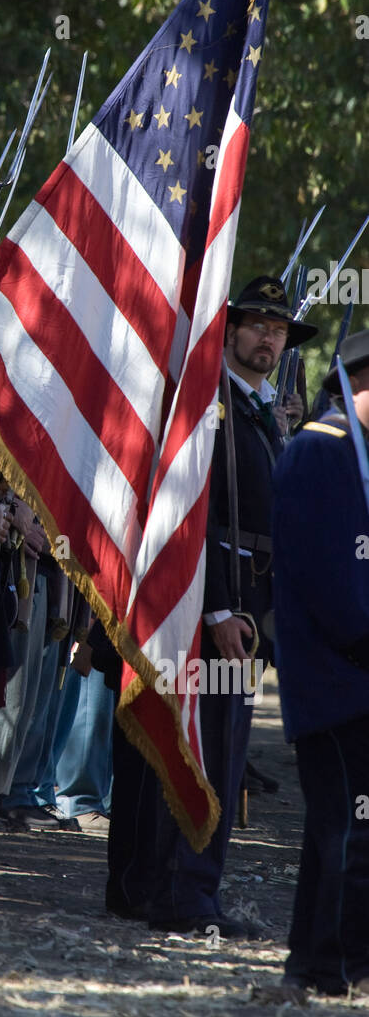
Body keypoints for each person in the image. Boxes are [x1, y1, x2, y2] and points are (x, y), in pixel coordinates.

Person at [142, 275, 317, 934]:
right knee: (207, 751)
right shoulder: (211, 406)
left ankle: (196, 886)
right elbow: (198, 517)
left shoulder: (256, 410)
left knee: (227, 751)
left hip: (252, 604)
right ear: (231, 331)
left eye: (278, 330)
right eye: (258, 326)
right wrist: (217, 609)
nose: (270, 337)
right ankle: (186, 893)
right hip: (217, 606)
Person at [273, 330, 369, 994]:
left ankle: (312, 965)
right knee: (348, 831)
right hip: (335, 676)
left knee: (337, 829)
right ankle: (344, 966)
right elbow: (329, 580)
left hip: (354, 673)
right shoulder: (319, 451)